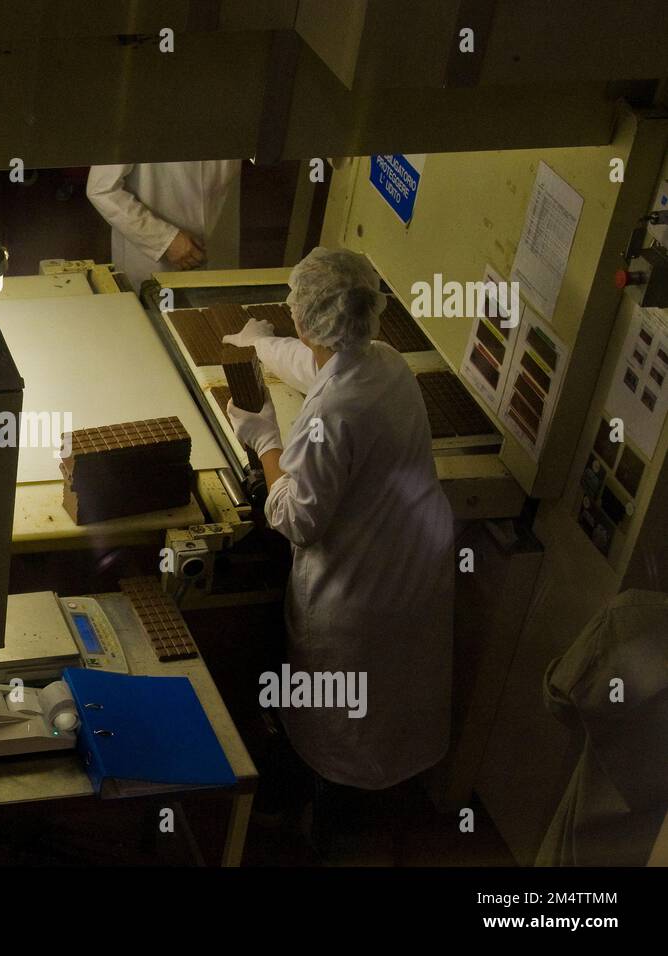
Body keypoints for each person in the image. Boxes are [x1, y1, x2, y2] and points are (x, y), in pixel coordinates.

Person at [223, 247, 454, 795]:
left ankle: (331, 822)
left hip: (356, 600)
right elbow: (317, 366)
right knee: (397, 717)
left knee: (342, 737)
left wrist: (265, 440)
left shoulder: (332, 415)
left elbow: (295, 518)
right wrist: (259, 346)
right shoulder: (387, 363)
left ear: (306, 319)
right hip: (413, 579)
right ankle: (385, 818)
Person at [86, 162, 241, 291]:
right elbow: (102, 189)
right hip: (153, 260)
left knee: (217, 321)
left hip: (218, 253)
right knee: (151, 323)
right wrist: (166, 240)